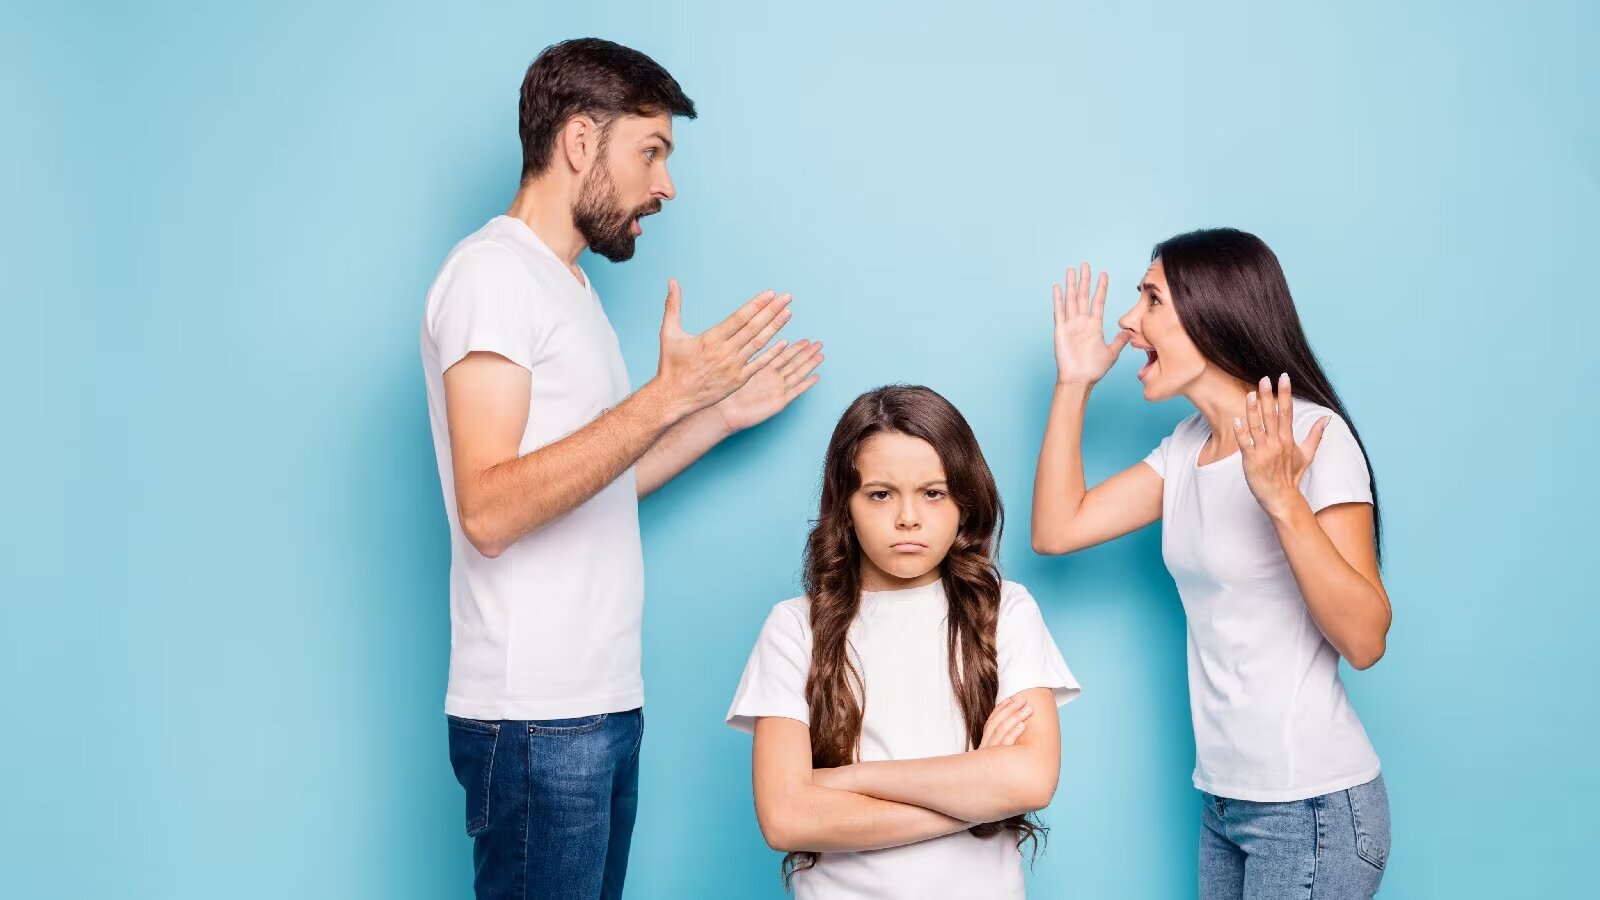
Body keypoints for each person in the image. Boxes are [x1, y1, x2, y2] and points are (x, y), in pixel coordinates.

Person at [420, 38, 823, 899]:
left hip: (596, 705)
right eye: (652, 151)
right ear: (577, 142)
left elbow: (586, 491)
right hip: (534, 718)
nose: (666, 185)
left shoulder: (566, 288)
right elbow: (489, 508)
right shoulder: (492, 277)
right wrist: (663, 398)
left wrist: (714, 414)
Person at [1031, 228, 1393, 898]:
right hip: (1225, 802)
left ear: (1212, 313)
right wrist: (1073, 384)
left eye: (1151, 299)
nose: (1128, 320)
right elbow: (1058, 528)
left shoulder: (1312, 437)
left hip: (1310, 805)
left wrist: (1282, 498)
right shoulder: (1186, 447)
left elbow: (1366, 638)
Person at [728, 385, 1079, 899]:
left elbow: (1029, 783)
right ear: (845, 507)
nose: (908, 517)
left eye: (933, 493)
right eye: (880, 494)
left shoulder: (1005, 612)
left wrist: (840, 780)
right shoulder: (794, 627)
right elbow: (784, 818)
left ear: (964, 501)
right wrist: (976, 791)